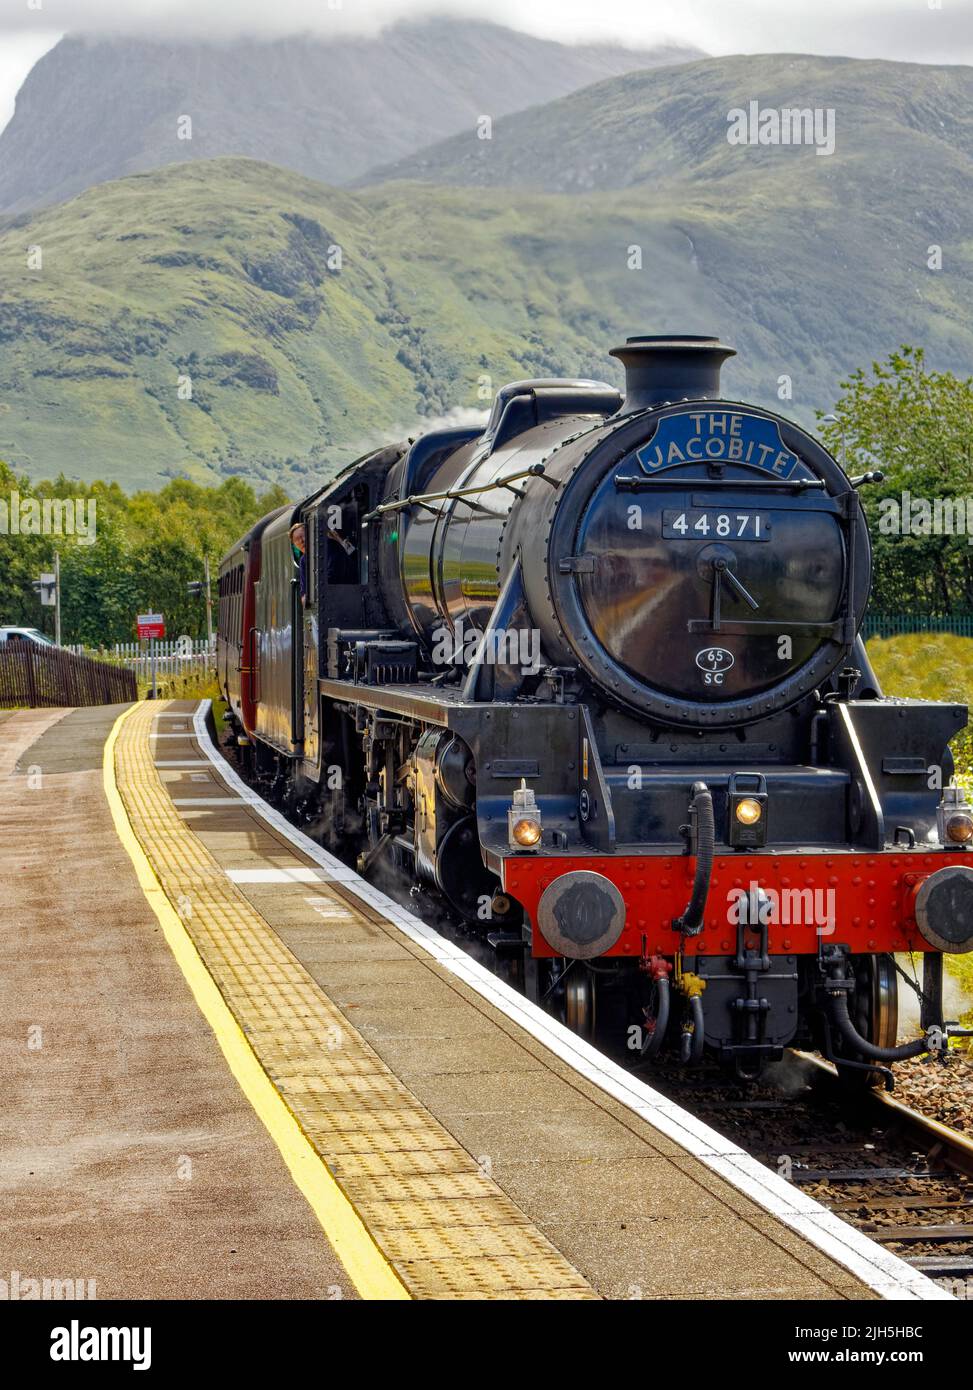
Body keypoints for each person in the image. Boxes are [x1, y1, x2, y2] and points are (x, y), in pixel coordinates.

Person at [289, 522, 307, 605]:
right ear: (295, 545)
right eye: (296, 539)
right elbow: (303, 594)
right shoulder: (303, 560)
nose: (301, 541)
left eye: (303, 536)